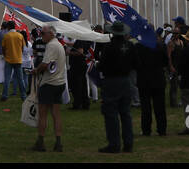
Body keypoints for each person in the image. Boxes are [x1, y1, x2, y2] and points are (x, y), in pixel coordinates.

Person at [97, 22, 137, 153]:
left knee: (111, 114)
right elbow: (135, 64)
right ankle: (129, 143)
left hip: (111, 81)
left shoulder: (109, 47)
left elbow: (102, 65)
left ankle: (114, 144)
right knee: (126, 113)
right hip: (125, 81)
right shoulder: (130, 46)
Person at [31, 24, 66, 152]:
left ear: (51, 34)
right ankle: (58, 143)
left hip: (49, 83)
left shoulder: (51, 46)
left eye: (43, 33)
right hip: (59, 83)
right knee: (56, 114)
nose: (41, 36)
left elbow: (45, 64)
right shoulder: (59, 45)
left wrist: (36, 70)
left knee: (43, 114)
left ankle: (40, 142)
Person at [134, 27, 168, 136]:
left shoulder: (138, 47)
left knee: (145, 107)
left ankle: (146, 129)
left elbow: (135, 63)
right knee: (160, 107)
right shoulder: (160, 46)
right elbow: (165, 62)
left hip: (144, 79)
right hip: (158, 78)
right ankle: (162, 129)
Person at [0, 21, 27, 102]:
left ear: (8, 27)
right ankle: (23, 96)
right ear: (15, 27)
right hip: (18, 59)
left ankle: (5, 95)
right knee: (20, 79)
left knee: (7, 79)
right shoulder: (20, 35)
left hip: (8, 59)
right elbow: (22, 48)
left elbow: (3, 48)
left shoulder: (6, 36)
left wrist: (5, 55)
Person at [66, 34, 92, 111]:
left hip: (78, 66)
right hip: (80, 65)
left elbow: (80, 52)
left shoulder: (79, 40)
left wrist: (69, 53)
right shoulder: (80, 40)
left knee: (77, 85)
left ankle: (78, 104)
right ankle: (85, 103)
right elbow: (75, 45)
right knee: (82, 85)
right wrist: (67, 44)